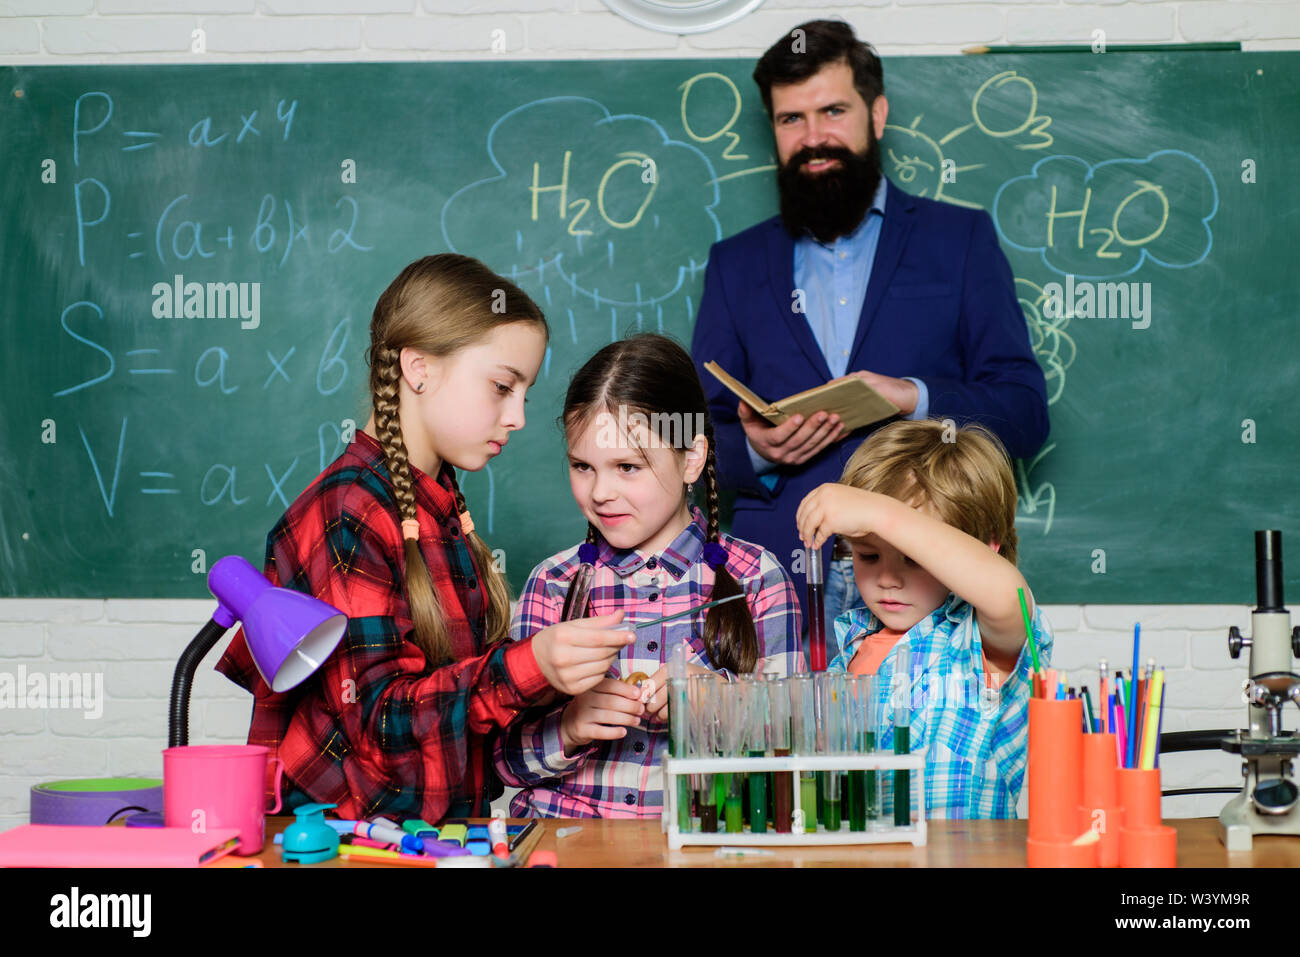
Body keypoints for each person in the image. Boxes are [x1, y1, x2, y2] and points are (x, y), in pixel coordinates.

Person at [215, 254, 637, 822]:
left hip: (433, 839)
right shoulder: (350, 511)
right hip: (348, 845)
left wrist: (563, 706)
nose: (517, 417)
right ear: (418, 368)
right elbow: (383, 728)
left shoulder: (437, 506)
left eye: (525, 394)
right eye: (501, 386)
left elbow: (461, 721)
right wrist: (530, 666)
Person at [691, 19, 1050, 660]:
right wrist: (756, 449)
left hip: (926, 578)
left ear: (876, 114)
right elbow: (686, 439)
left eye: (833, 111)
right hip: (775, 583)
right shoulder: (734, 264)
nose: (813, 137)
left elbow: (1024, 413)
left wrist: (913, 398)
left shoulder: (959, 241)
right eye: (791, 119)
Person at [495, 334, 803, 818]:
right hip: (566, 840)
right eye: (582, 466)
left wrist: (720, 707)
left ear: (691, 459)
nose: (601, 492)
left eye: (627, 466)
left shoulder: (757, 578)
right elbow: (505, 763)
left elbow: (795, 753)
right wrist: (570, 727)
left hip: (696, 842)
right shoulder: (553, 583)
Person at [795, 419, 1054, 819]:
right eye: (868, 555)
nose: (887, 578)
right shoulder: (850, 648)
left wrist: (881, 515)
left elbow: (1011, 597)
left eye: (913, 557)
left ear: (986, 546)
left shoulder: (976, 640)